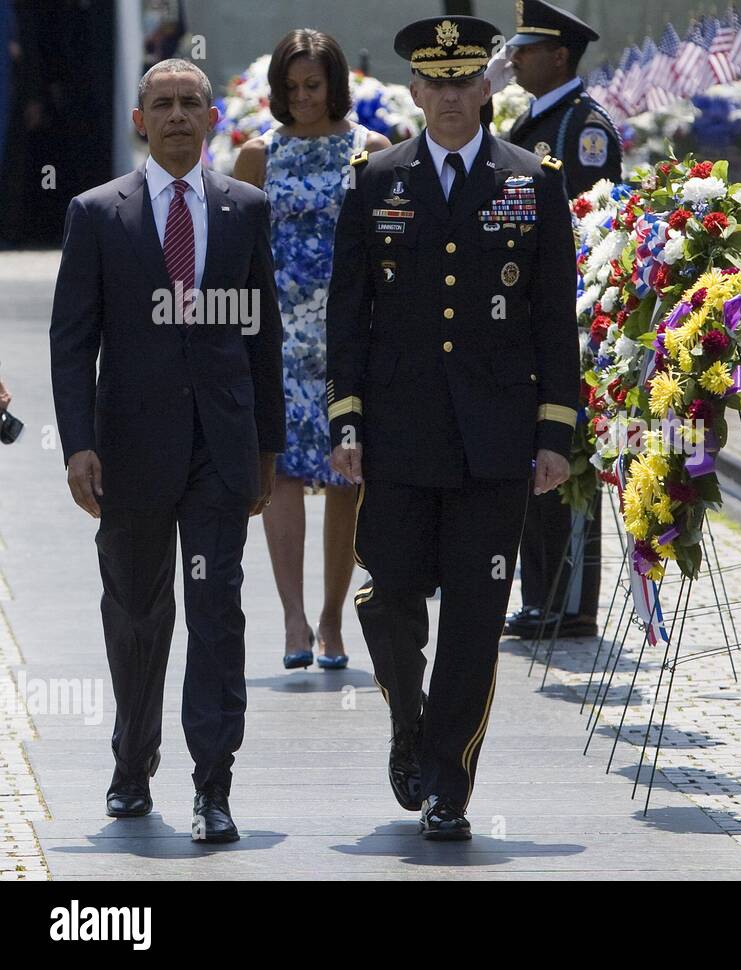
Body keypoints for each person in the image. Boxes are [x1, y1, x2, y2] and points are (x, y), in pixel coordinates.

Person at [326, 15, 578, 840]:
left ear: (485, 88)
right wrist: (346, 418)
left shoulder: (531, 181)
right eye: (435, 83)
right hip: (399, 433)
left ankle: (448, 784)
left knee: (475, 614)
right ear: (415, 91)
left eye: (463, 81)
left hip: (494, 438)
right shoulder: (375, 180)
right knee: (389, 596)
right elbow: (348, 314)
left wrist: (555, 433)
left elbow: (554, 319)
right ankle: (410, 720)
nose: (449, 97)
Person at [48, 58, 284, 843]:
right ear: (140, 120)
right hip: (130, 451)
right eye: (163, 104)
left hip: (220, 449)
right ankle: (132, 760)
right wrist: (77, 445)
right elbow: (72, 340)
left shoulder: (245, 208)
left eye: (190, 103)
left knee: (216, 614)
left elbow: (262, 337)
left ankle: (214, 784)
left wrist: (268, 447)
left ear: (213, 118)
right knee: (136, 614)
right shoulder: (96, 213)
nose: (177, 115)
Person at [232, 29, 390, 671]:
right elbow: (236, 257)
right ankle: (293, 618)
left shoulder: (371, 151)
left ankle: (332, 618)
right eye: (290, 86)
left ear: (335, 85)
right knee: (283, 473)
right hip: (278, 340)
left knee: (346, 474)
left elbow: (390, 250)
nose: (301, 96)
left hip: (350, 337)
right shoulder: (256, 156)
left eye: (312, 85)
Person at [502, 0, 622, 641]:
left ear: (559, 56)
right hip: (529, 312)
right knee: (535, 455)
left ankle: (569, 603)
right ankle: (541, 595)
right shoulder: (535, 120)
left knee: (567, 455)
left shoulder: (582, 126)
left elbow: (589, 225)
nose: (514, 58)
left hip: (569, 316)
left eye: (526, 49)